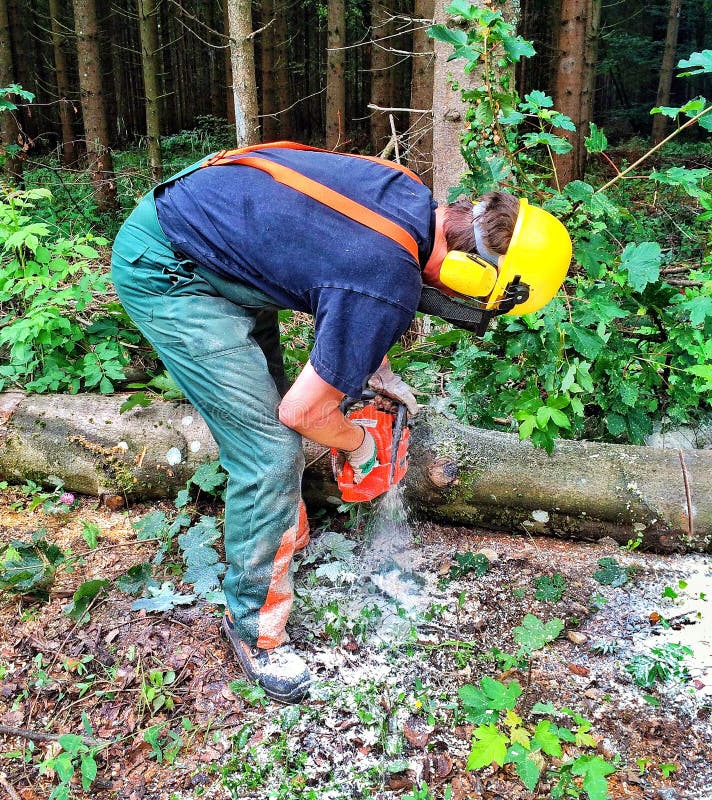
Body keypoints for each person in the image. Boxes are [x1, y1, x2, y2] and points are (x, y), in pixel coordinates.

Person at [111, 142, 571, 703]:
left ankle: (277, 529)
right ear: (468, 275)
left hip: (217, 238)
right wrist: (359, 447)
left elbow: (346, 270)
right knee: (270, 452)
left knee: (275, 415)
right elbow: (304, 410)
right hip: (171, 270)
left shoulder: (407, 194)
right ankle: (255, 630)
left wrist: (376, 367)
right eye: (468, 298)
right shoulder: (384, 280)